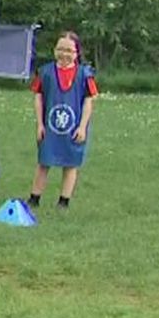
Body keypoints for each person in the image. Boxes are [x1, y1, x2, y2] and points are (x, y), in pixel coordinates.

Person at [29, 31, 97, 210]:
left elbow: (89, 100)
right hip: (50, 127)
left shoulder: (84, 74)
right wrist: (40, 124)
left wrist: (82, 127)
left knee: (70, 163)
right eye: (60, 49)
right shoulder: (45, 72)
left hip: (74, 127)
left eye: (69, 50)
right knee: (44, 161)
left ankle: (63, 201)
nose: (64, 54)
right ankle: (34, 198)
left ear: (76, 53)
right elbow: (38, 96)